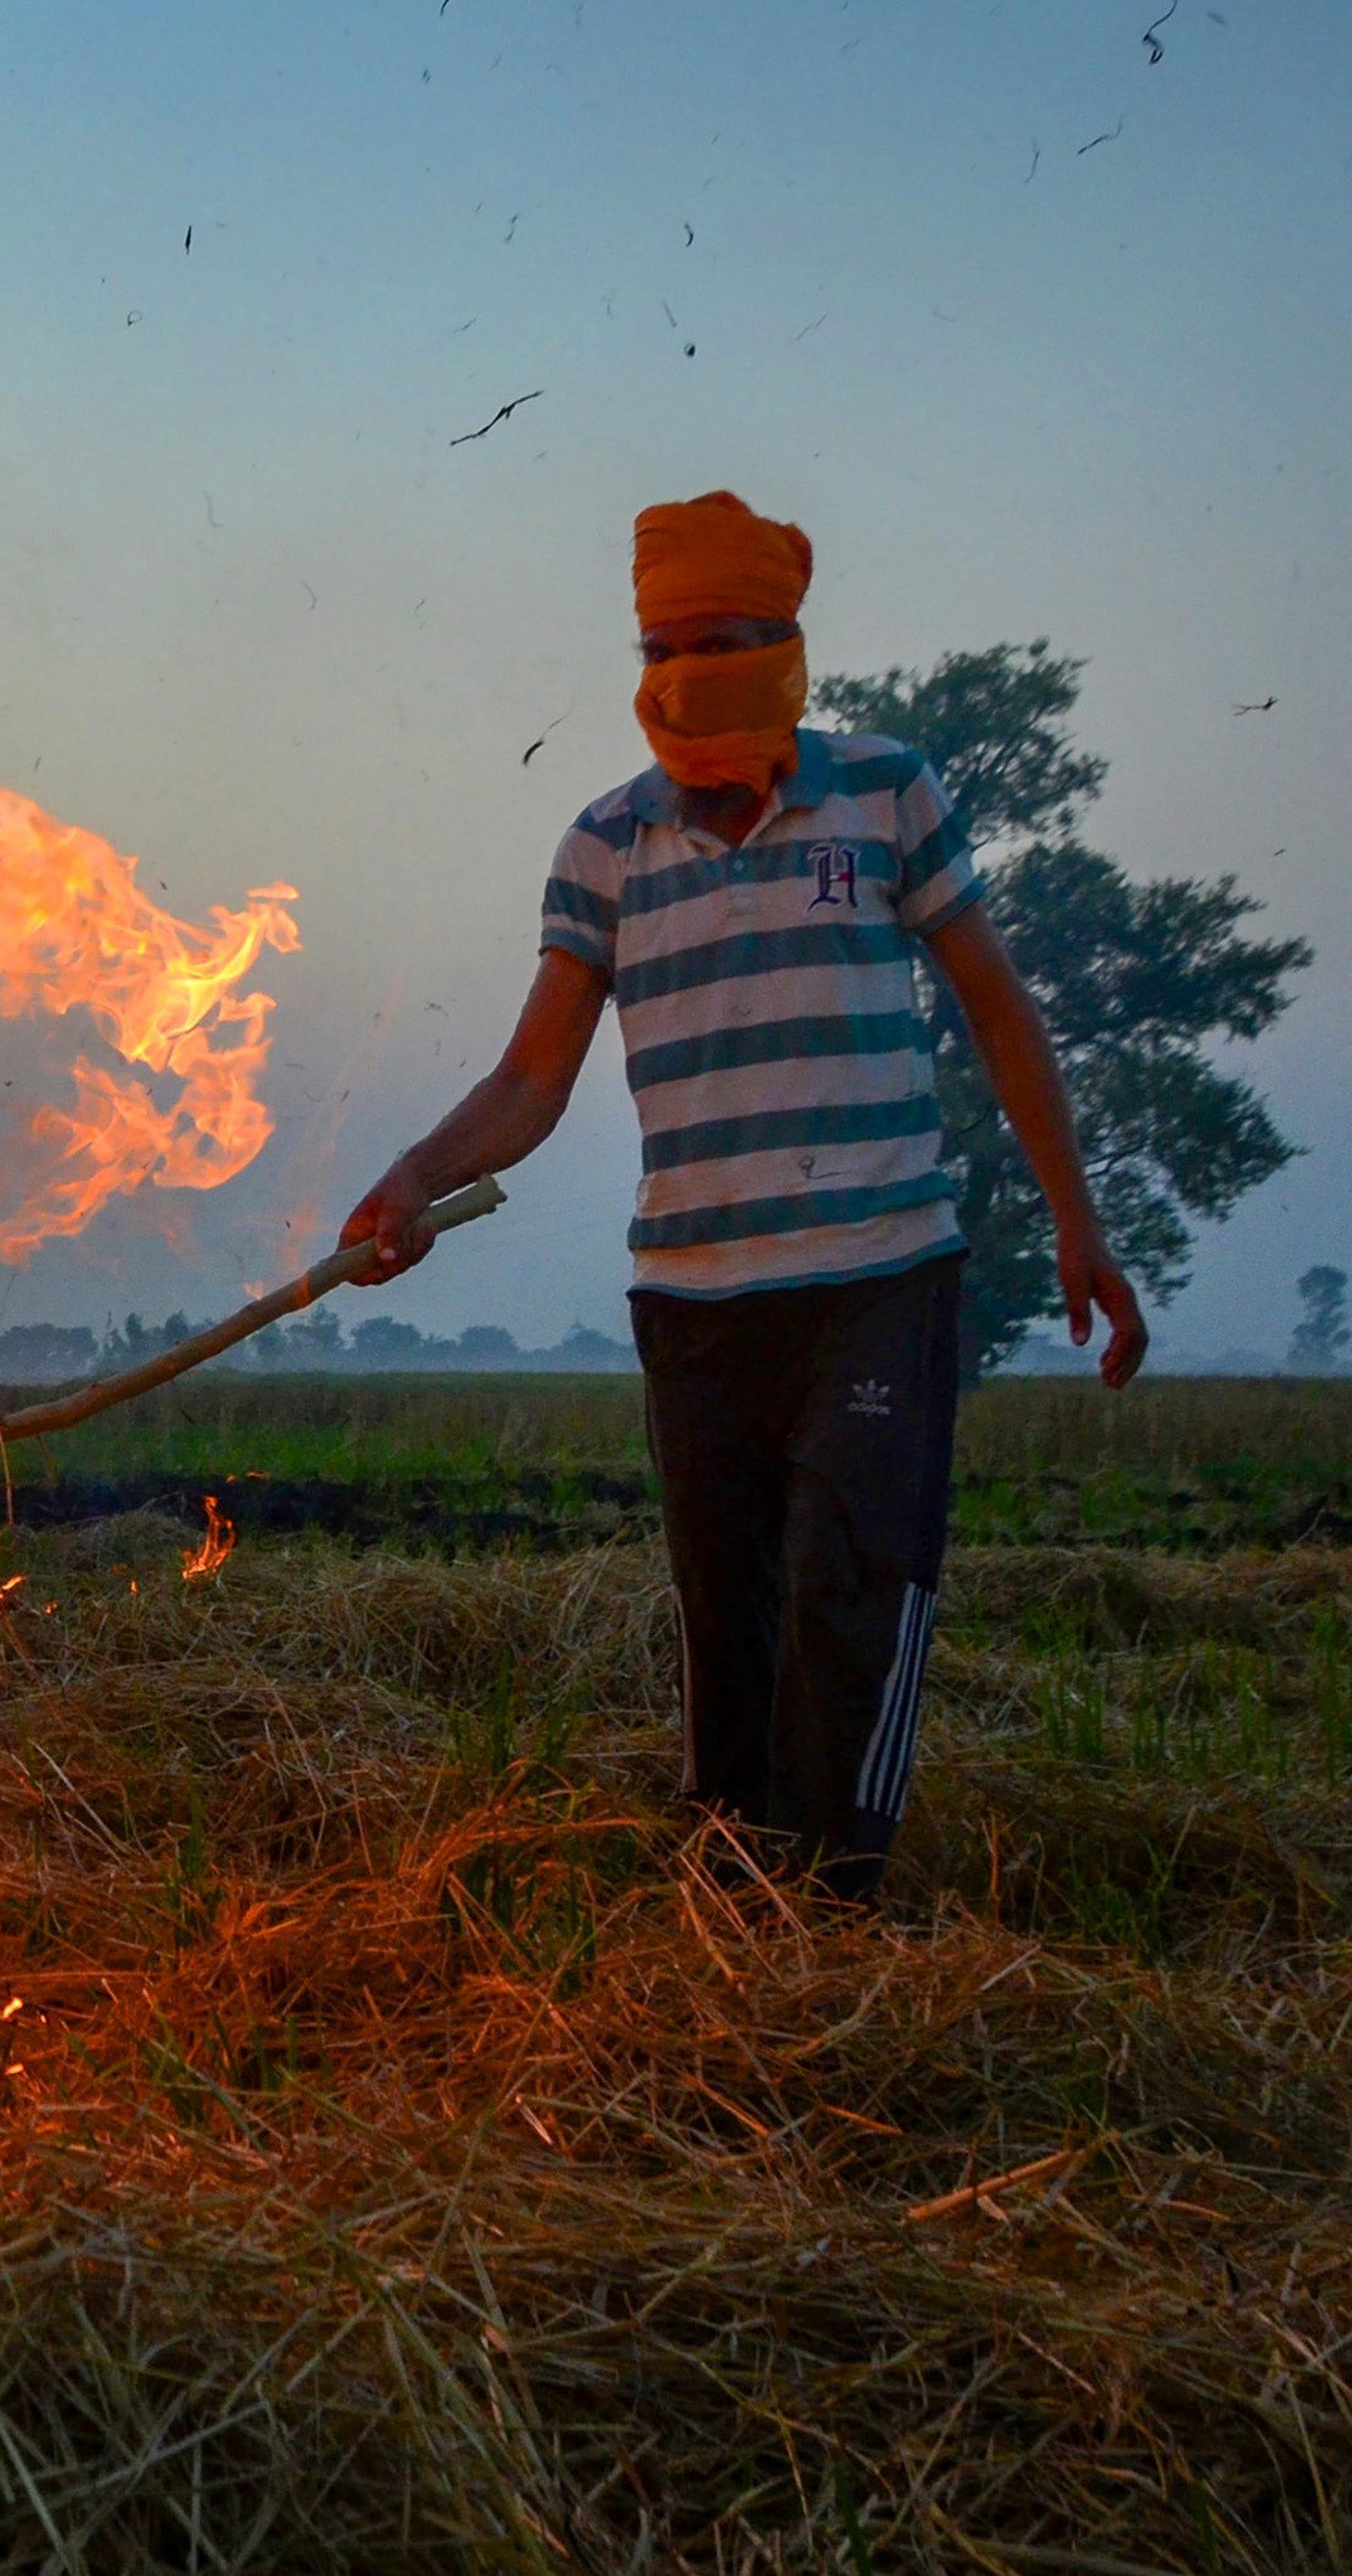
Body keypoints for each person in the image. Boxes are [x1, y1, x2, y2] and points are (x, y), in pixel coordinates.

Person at [340, 491, 1145, 1901]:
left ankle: (835, 1904)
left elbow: (999, 1009)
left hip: (878, 1280)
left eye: (727, 640)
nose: (693, 671)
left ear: (786, 651)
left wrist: (1076, 1214)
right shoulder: (607, 847)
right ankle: (734, 1894)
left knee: (853, 1582)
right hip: (696, 1298)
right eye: (672, 644)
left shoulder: (885, 790)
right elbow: (534, 1082)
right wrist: (413, 1179)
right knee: (733, 1617)